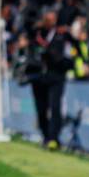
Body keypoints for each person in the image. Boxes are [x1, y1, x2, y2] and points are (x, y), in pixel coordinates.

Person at [28, 12, 75, 149]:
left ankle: (54, 138)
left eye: (53, 19)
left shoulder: (62, 35)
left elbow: (72, 51)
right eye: (48, 19)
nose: (51, 22)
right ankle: (45, 136)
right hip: (38, 77)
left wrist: (59, 59)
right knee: (41, 109)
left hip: (56, 76)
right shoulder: (36, 34)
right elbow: (28, 47)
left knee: (55, 108)